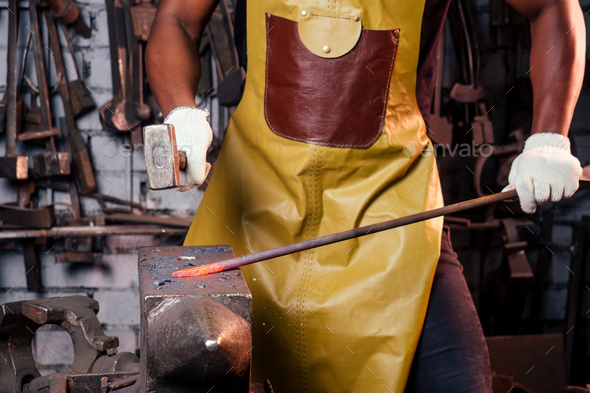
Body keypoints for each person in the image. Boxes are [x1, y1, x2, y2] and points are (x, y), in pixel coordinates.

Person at [145, 0, 585, 391]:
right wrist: (181, 112)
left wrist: (549, 135)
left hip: (394, 212)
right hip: (253, 211)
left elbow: (550, 7)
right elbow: (178, 18)